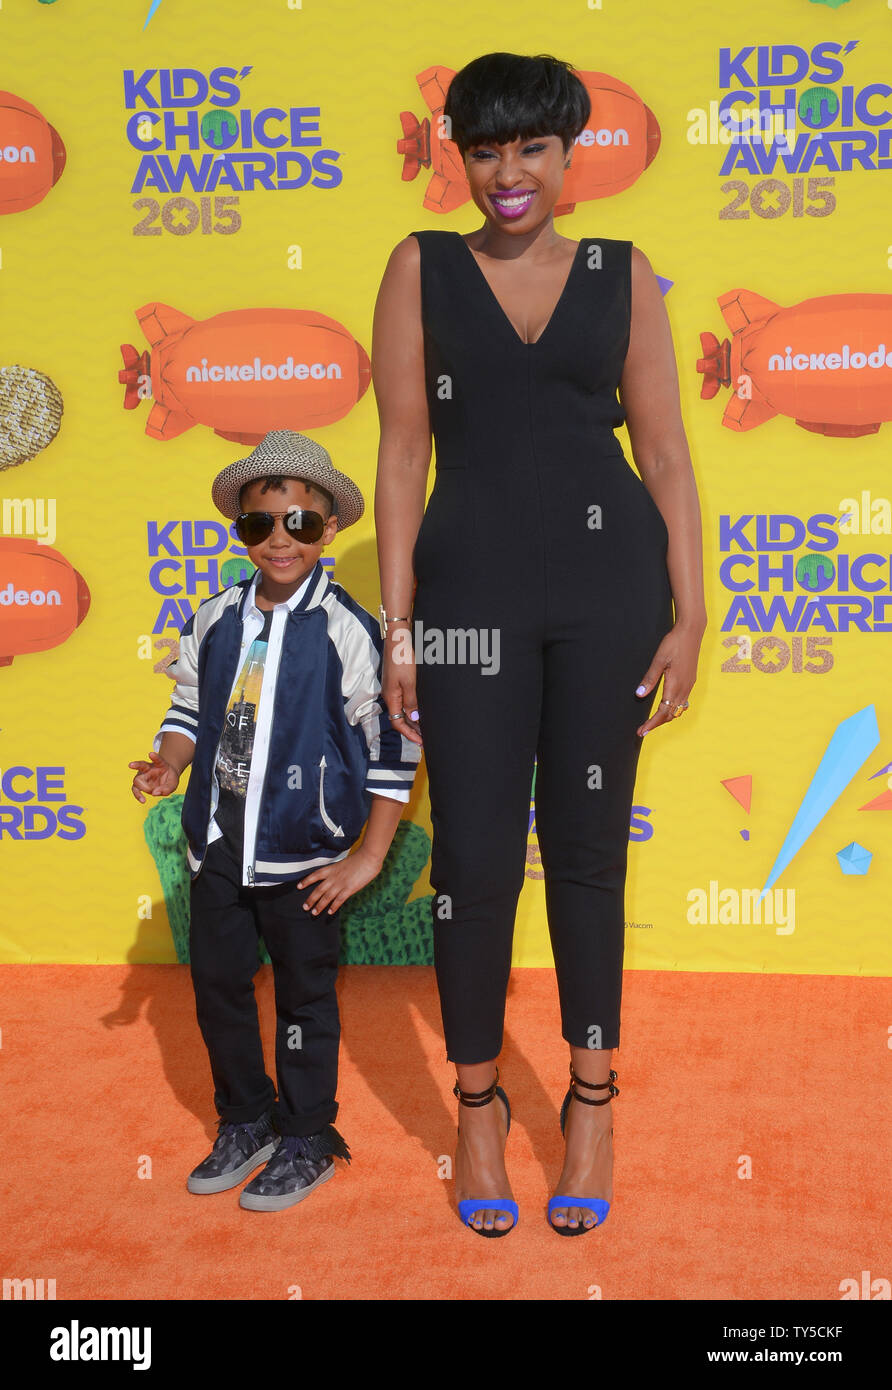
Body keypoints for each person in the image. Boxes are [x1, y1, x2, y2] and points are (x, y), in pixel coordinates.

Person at [371, 52, 706, 1236]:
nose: (507, 173)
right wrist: (399, 627)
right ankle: (475, 1107)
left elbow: (664, 456)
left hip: (608, 592)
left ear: (571, 155)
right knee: (469, 860)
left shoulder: (624, 275)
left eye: (531, 148)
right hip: (465, 598)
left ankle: (592, 1098)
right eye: (484, 148)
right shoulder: (420, 267)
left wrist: (688, 612)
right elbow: (403, 454)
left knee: (586, 853)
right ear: (455, 155)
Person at [129, 429, 421, 1211]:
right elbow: (188, 707)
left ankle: (305, 1136)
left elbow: (395, 749)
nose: (280, 540)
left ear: (329, 531)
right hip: (220, 844)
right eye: (261, 524)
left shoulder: (349, 630)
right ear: (242, 533)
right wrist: (169, 761)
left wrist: (366, 857)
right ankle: (246, 1119)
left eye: (300, 523)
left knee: (304, 1000)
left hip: (303, 855)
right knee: (217, 984)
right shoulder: (217, 616)